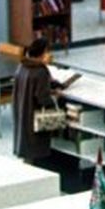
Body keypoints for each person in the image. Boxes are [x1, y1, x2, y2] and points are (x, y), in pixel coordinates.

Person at [12, 37, 64, 166]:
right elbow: (42, 98)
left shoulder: (22, 66)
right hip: (34, 117)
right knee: (35, 151)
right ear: (42, 53)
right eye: (47, 52)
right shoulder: (41, 71)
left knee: (27, 150)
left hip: (22, 112)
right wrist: (55, 97)